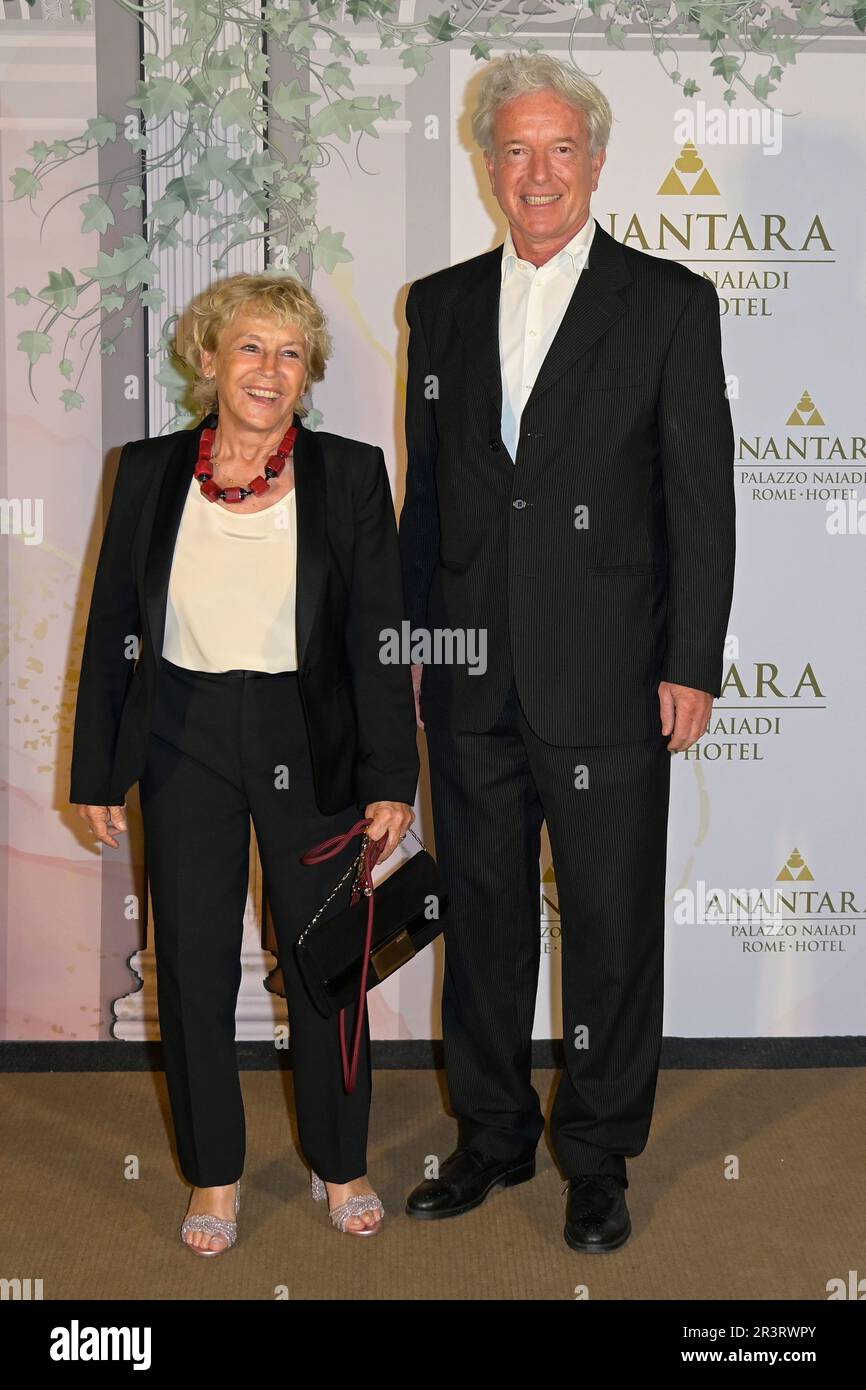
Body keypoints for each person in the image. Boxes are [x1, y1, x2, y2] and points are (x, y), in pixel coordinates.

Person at [399, 53, 735, 1251]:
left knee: (606, 923)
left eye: (558, 150)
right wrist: (414, 657)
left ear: (594, 162)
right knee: (483, 917)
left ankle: (595, 1155)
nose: (535, 173)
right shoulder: (434, 306)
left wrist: (690, 658)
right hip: (471, 680)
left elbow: (699, 499)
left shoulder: (666, 303)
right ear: (488, 165)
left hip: (607, 672)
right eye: (513, 150)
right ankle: (488, 1135)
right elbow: (427, 505)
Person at [70, 273, 418, 1253]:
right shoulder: (146, 469)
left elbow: (378, 634)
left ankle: (338, 1160)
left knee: (328, 965)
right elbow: (112, 629)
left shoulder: (349, 473)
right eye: (251, 347)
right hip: (182, 730)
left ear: (307, 374)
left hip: (310, 738)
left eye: (290, 353)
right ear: (210, 356)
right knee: (185, 962)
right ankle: (214, 1175)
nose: (269, 370)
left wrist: (393, 773)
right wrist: (99, 766)